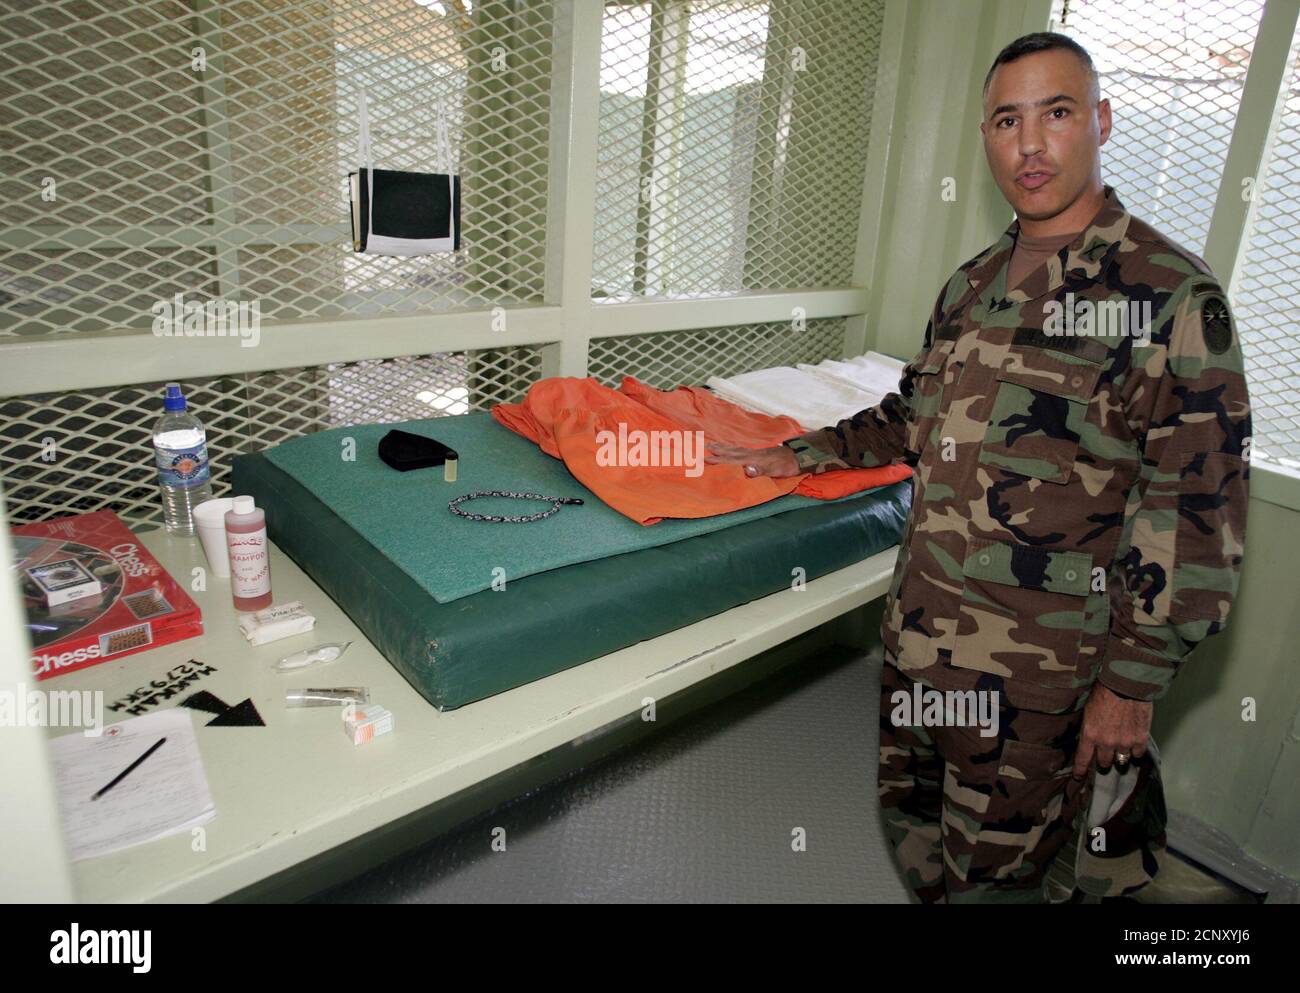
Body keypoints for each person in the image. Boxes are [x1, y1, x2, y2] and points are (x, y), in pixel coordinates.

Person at [706, 31, 1251, 903]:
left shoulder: (1171, 298)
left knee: (1000, 878)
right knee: (917, 839)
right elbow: (911, 413)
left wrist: (1130, 687)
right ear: (987, 138)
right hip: (920, 643)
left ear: (1102, 122)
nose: (1029, 145)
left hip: (1038, 683)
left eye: (1057, 113)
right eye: (1007, 120)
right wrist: (799, 450)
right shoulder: (972, 286)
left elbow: (1195, 507)